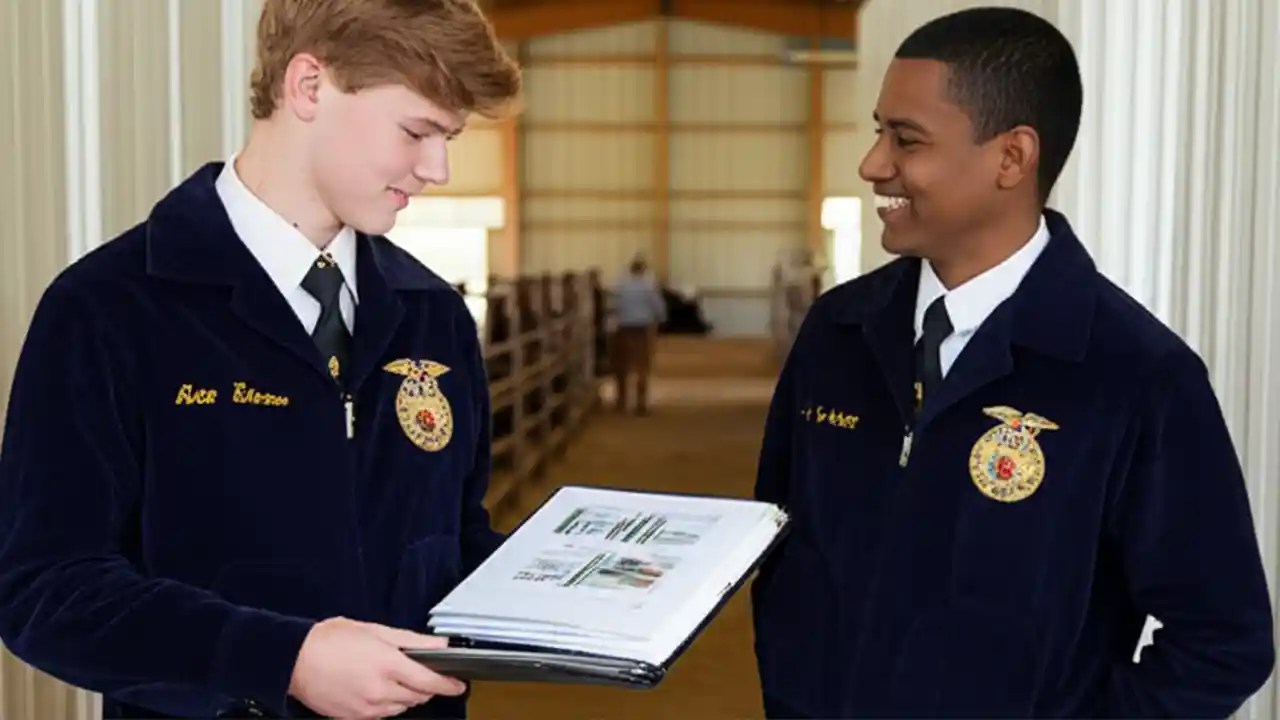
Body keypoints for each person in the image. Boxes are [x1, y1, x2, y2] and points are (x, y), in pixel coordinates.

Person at [0, 1, 520, 718]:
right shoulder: (111, 308)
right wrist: (282, 660)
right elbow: (47, 589)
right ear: (309, 86)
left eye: (450, 137)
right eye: (418, 132)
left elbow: (449, 541)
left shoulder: (431, 314)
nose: (437, 169)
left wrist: (580, 592)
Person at [750, 7, 1273, 719]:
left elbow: (1222, 640)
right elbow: (779, 548)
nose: (873, 165)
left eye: (906, 139)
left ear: (1012, 158)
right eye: (879, 131)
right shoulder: (836, 332)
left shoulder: (1136, 377)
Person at [611, 257, 666, 415]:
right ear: (643, 269)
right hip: (642, 329)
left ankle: (621, 402)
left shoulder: (621, 284)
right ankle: (641, 404)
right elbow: (658, 307)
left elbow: (614, 305)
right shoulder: (649, 285)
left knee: (621, 366)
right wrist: (660, 319)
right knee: (642, 366)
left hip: (624, 328)